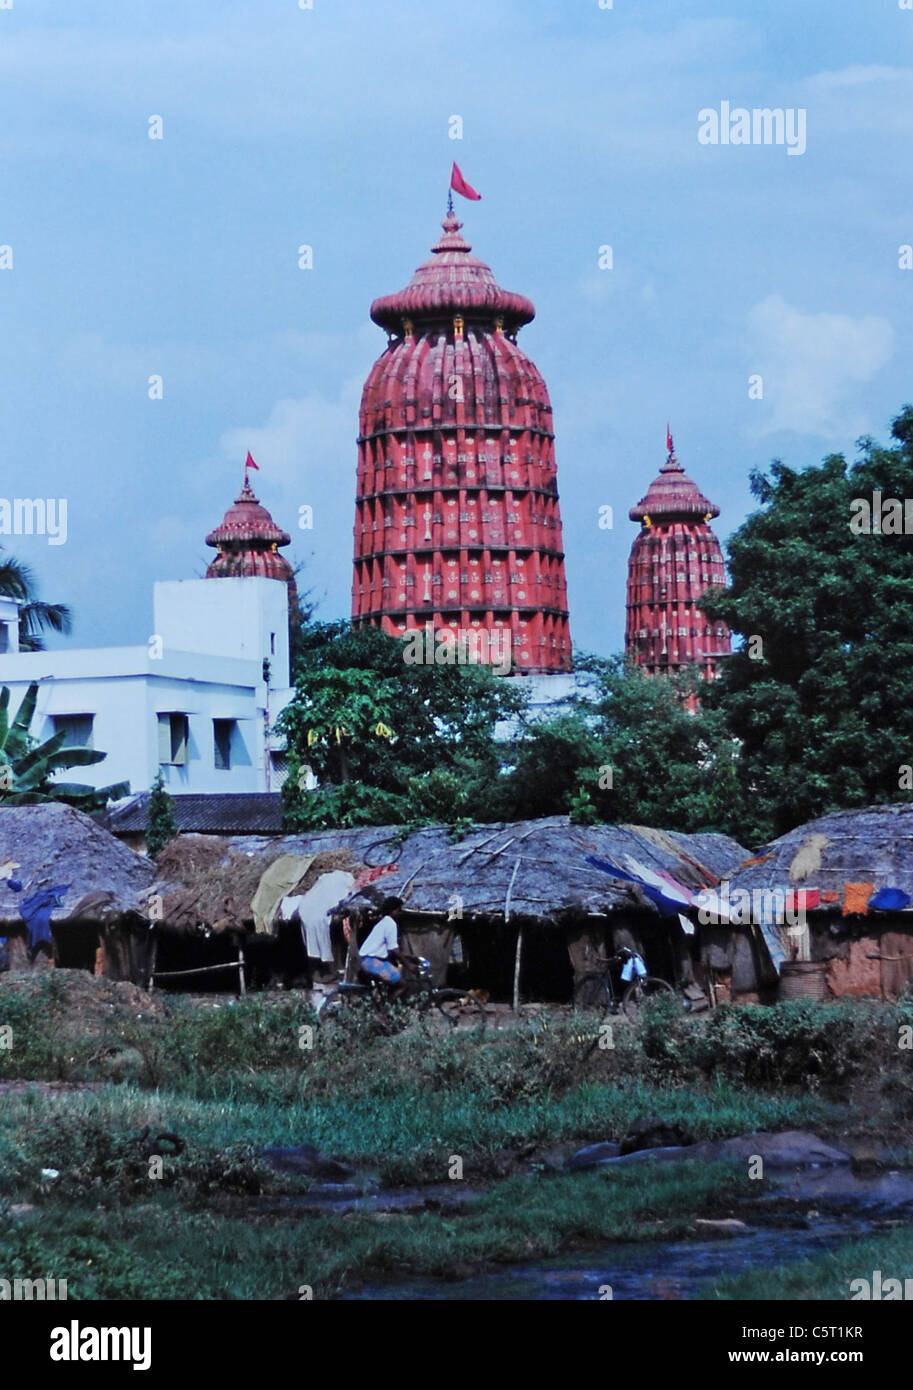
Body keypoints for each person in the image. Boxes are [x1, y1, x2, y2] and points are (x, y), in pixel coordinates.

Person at [358, 896, 409, 999]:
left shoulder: (383, 922)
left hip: (366, 960)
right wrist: (409, 965)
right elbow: (393, 950)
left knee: (390, 981)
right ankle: (386, 1012)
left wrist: (410, 957)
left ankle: (383, 1004)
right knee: (402, 985)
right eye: (399, 910)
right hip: (372, 962)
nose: (400, 913)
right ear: (393, 910)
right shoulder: (391, 924)